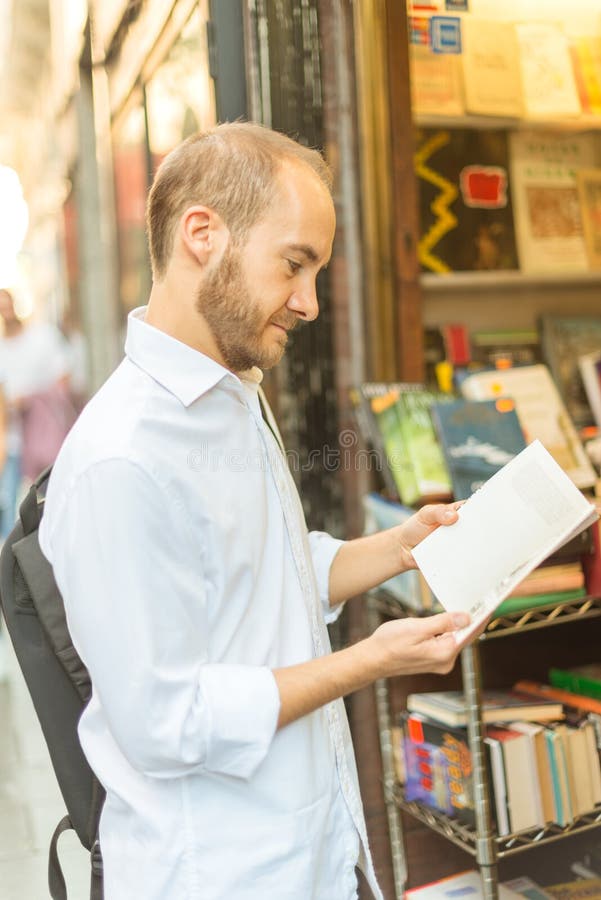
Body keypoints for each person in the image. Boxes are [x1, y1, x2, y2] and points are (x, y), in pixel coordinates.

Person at [39, 123, 470, 900]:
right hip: (220, 875)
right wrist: (368, 661)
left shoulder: (232, 393)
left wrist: (400, 548)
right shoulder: (120, 459)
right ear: (201, 233)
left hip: (312, 855)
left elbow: (261, 572)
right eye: (293, 264)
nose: (307, 303)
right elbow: (165, 719)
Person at [0, 289, 74, 539]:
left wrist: (34, 400)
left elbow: (64, 377)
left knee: (57, 497)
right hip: (12, 443)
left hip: (46, 437)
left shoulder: (42, 337)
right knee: (16, 510)